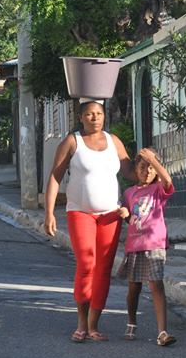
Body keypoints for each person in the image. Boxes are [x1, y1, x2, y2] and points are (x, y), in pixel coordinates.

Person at [44, 99, 134, 343]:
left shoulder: (114, 141)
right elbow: (55, 177)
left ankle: (94, 325)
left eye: (99, 113)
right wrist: (49, 212)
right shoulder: (72, 142)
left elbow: (130, 173)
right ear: (81, 117)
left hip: (110, 215)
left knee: (104, 269)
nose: (95, 117)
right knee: (86, 263)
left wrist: (154, 165)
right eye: (90, 114)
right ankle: (81, 322)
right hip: (80, 212)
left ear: (104, 116)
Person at [117, 147, 176, 347]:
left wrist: (154, 160)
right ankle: (131, 322)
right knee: (134, 287)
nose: (148, 171)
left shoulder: (159, 190)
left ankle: (162, 332)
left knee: (156, 284)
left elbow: (167, 181)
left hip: (155, 244)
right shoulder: (129, 193)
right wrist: (124, 212)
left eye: (152, 167)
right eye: (143, 166)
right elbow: (128, 218)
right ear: (135, 168)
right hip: (134, 245)